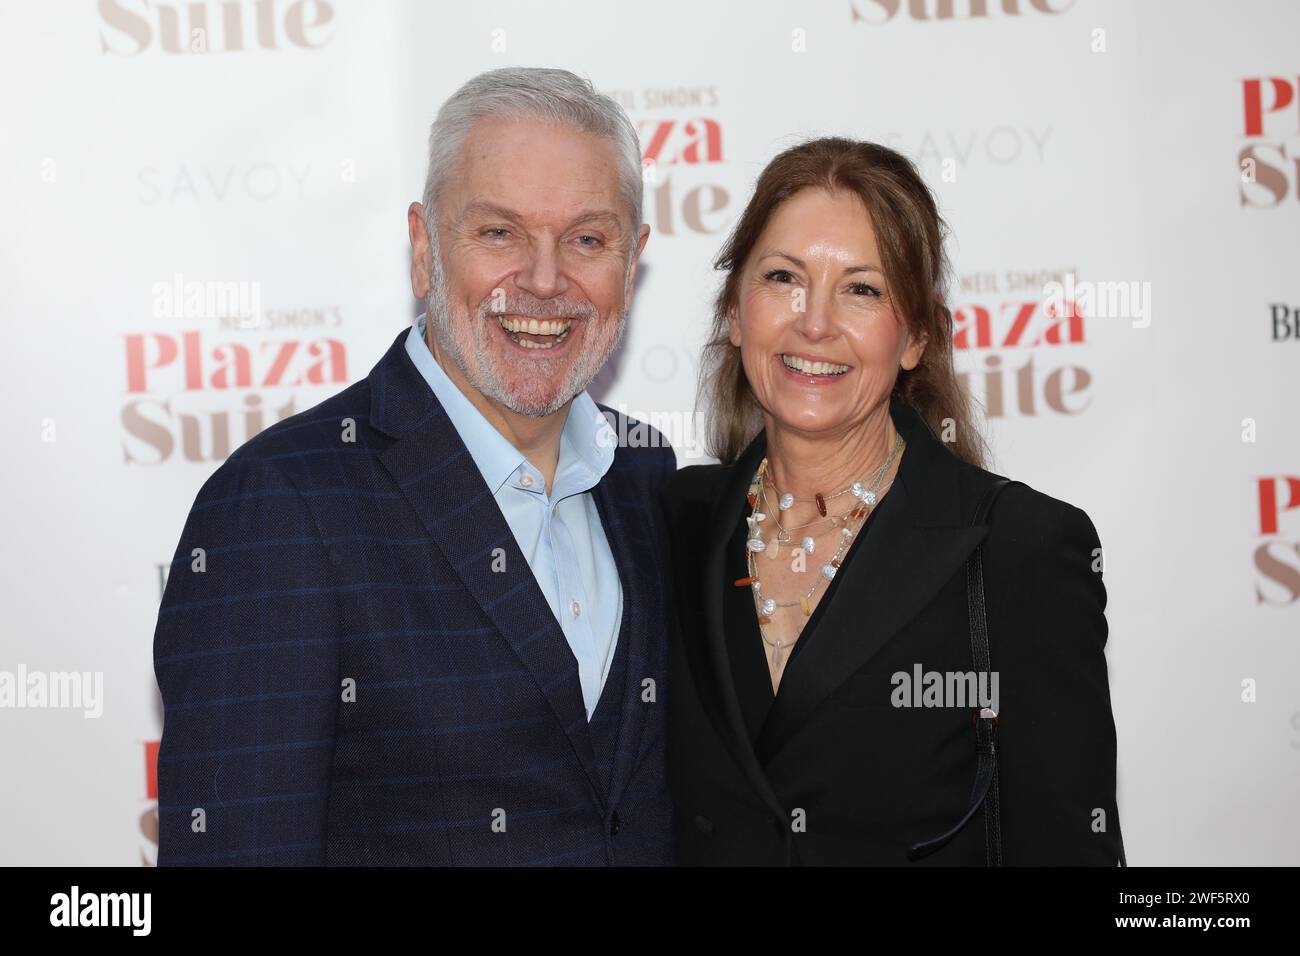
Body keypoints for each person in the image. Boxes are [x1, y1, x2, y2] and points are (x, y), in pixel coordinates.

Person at [153, 67, 676, 866]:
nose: (544, 279)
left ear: (632, 259)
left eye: (587, 239)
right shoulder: (283, 507)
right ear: (426, 249)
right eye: (498, 233)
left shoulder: (647, 479)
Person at [659, 137, 1126, 865]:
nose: (814, 322)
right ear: (733, 311)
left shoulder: (1020, 551)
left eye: (862, 288)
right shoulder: (670, 524)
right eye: (783, 277)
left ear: (915, 336)